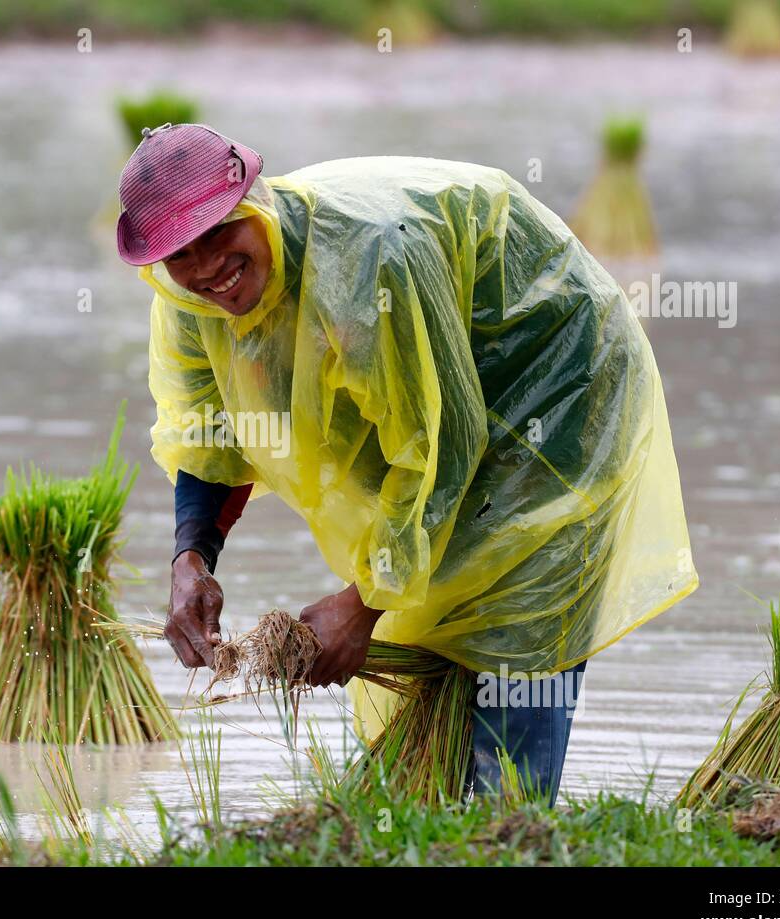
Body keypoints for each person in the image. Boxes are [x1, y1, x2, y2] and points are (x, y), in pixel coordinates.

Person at [116, 123, 697, 804]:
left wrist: (362, 605)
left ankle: (514, 822)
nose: (208, 265)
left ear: (254, 201)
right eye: (182, 252)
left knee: (514, 624)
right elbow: (207, 434)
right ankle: (419, 815)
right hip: (442, 402)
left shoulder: (367, 262)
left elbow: (440, 445)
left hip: (558, 386)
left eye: (220, 233)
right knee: (428, 613)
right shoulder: (190, 299)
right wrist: (192, 559)